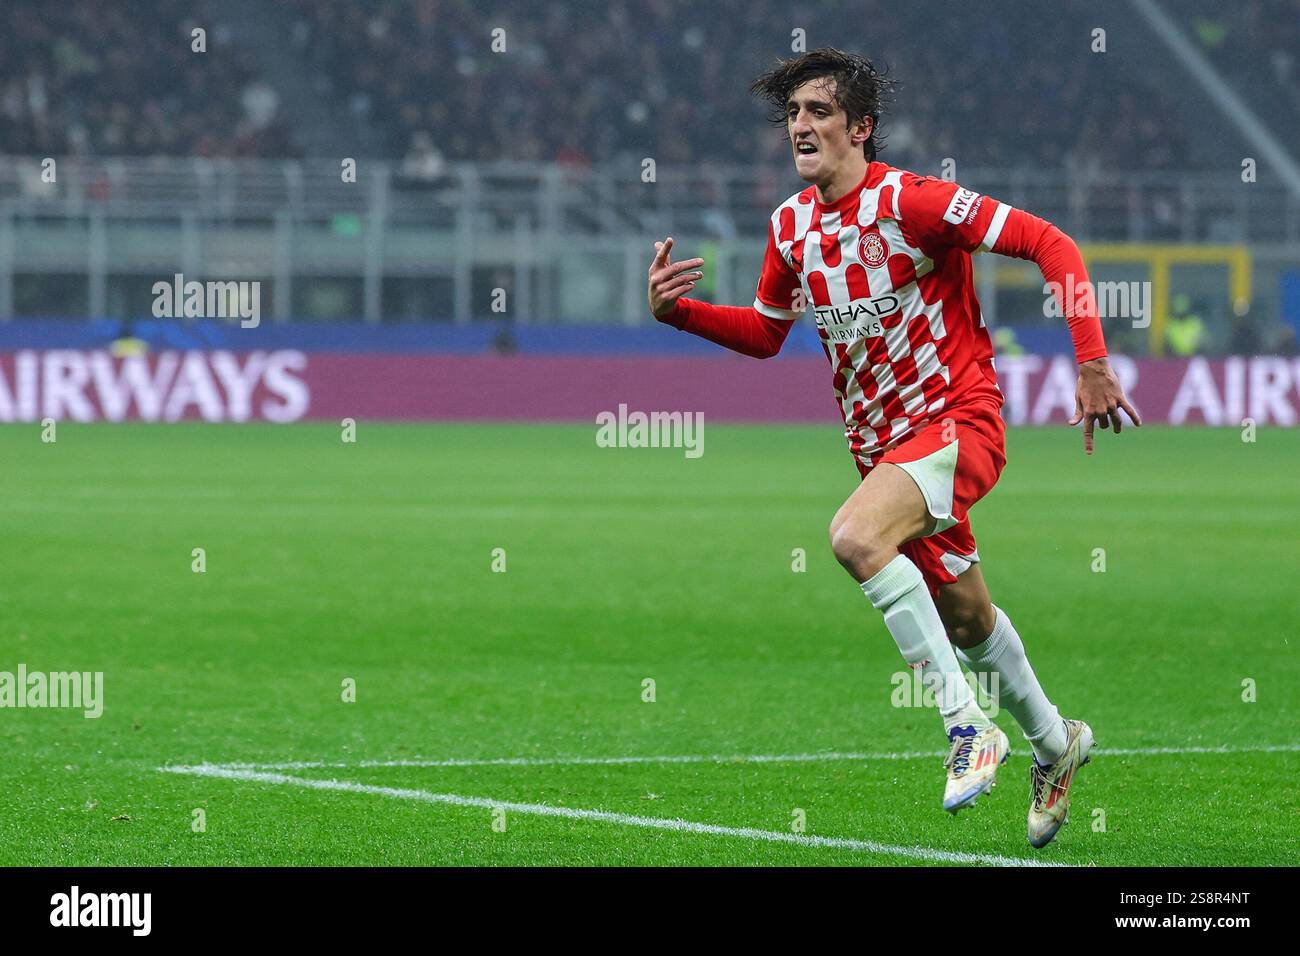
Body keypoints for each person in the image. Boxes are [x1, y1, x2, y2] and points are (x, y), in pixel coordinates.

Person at [646, 48, 1140, 848]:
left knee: (853, 536)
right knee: (970, 617)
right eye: (793, 115)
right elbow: (770, 335)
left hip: (957, 422)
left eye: (817, 113)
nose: (800, 128)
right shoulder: (791, 229)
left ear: (861, 127)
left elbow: (1052, 242)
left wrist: (1090, 359)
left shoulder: (914, 203)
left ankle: (966, 727)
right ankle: (1057, 744)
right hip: (886, 452)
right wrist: (682, 317)